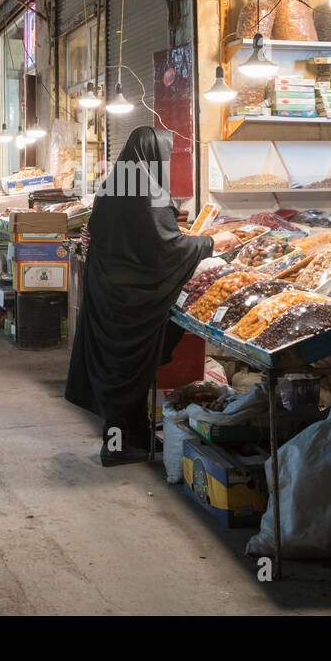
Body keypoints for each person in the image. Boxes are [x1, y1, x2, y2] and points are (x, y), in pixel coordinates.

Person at [65, 126, 239, 465]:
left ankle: (138, 438)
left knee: (122, 369)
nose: (167, 161)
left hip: (108, 292)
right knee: (122, 373)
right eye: (166, 155)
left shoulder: (115, 183)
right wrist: (211, 243)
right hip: (129, 300)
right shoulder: (147, 189)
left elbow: (134, 238)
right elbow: (164, 248)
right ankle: (114, 449)